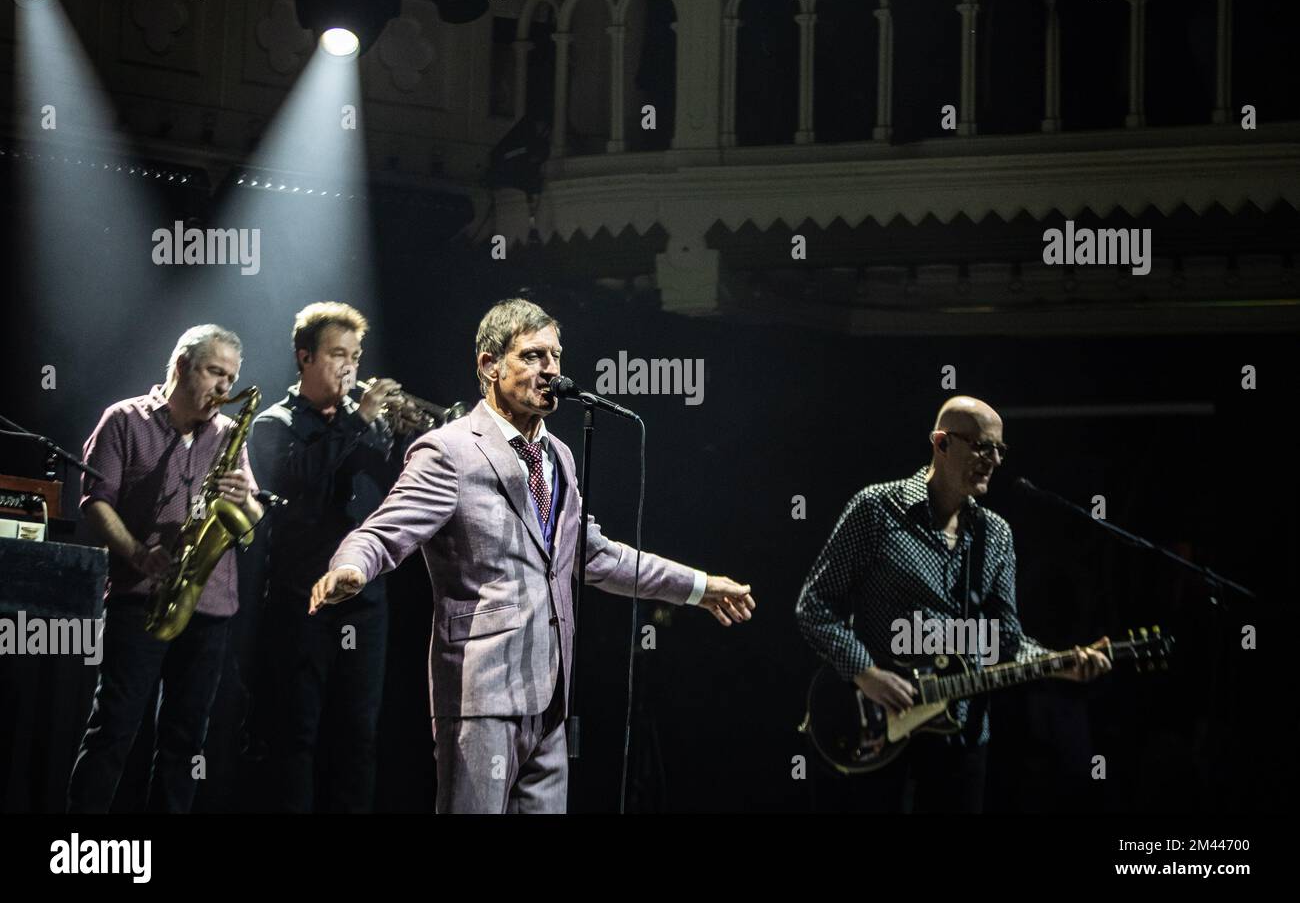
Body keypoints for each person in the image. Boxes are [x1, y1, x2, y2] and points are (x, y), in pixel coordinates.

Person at [310, 298, 756, 813]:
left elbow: (598, 556)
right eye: (532, 356)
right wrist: (351, 566)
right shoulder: (449, 451)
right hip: (481, 697)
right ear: (489, 365)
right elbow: (384, 530)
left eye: (556, 357)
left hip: (550, 695)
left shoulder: (559, 457)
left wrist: (698, 587)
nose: (550, 370)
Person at [795, 395, 1110, 812]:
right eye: (982, 446)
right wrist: (867, 673)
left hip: (961, 736)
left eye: (1000, 449)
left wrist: (1060, 663)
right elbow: (813, 605)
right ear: (941, 443)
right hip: (874, 723)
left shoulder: (995, 535)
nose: (993, 459)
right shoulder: (876, 508)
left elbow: (1005, 642)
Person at [68, 324, 261, 812]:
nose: (224, 388)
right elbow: (95, 501)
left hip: (210, 603)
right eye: (216, 372)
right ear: (181, 366)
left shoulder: (227, 435)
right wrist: (137, 552)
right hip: (141, 598)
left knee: (184, 743)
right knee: (113, 731)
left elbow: (250, 520)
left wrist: (248, 502)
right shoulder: (124, 420)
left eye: (231, 377)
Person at [247, 301, 422, 812]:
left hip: (365, 598)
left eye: (356, 355)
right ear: (304, 357)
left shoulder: (368, 426)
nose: (350, 367)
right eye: (337, 354)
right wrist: (358, 422)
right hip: (302, 596)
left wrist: (399, 438)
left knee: (359, 736)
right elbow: (291, 481)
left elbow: (394, 499)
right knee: (296, 736)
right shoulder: (273, 423)